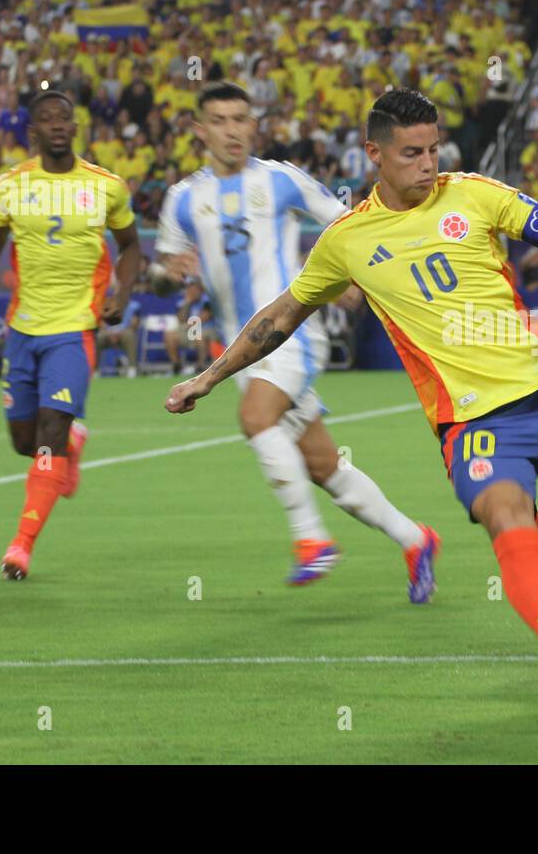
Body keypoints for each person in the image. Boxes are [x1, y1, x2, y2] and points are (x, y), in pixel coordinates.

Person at [165, 88, 538, 708]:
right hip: (470, 420)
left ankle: (534, 535)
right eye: (412, 153)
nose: (428, 164)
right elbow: (281, 315)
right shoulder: (347, 240)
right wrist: (208, 377)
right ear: (375, 154)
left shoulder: (475, 194)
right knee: (505, 520)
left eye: (434, 150)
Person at [151, 81, 442, 599]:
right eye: (219, 120)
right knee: (326, 468)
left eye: (240, 118)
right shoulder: (182, 200)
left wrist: (352, 278)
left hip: (290, 332)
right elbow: (158, 274)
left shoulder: (281, 180)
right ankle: (415, 539)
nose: (232, 130)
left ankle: (311, 542)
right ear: (200, 130)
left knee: (255, 419)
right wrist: (167, 272)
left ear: (253, 124)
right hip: (243, 353)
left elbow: (348, 224)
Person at [0, 88, 141, 579]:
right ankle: (71, 447)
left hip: (73, 330)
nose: (58, 124)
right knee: (25, 441)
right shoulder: (9, 186)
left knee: (48, 436)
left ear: (75, 127)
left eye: (66, 117)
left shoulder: (107, 186)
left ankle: (20, 547)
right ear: (33, 131)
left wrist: (121, 295)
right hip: (23, 331)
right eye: (48, 118)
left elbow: (130, 247)